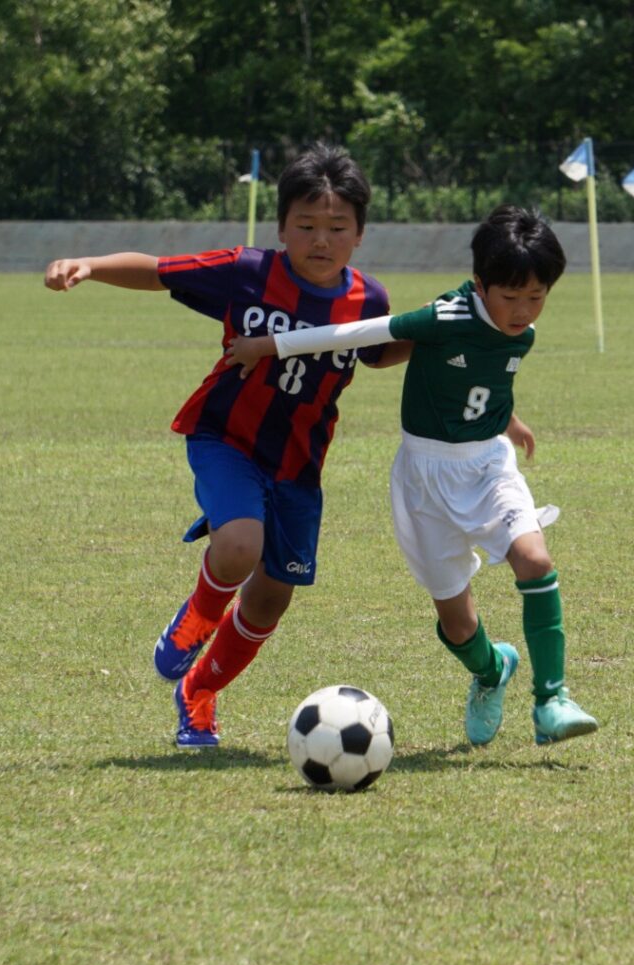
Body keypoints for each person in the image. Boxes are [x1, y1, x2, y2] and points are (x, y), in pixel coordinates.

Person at [42, 143, 409, 748]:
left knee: (269, 601)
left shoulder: (368, 299)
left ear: (360, 234)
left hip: (298, 468)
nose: (321, 240)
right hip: (226, 438)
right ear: (282, 228)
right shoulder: (249, 271)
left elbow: (376, 352)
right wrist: (89, 263)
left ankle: (199, 693)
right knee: (238, 545)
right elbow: (159, 271)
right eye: (306, 226)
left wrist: (428, 337)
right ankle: (196, 618)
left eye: (337, 227)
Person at [225, 205, 598, 746]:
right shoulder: (444, 318)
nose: (522, 311)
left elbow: (487, 377)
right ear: (480, 284)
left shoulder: (524, 333)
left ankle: (552, 702)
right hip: (425, 476)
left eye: (536, 297)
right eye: (511, 297)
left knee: (535, 559)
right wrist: (267, 345)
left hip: (488, 465)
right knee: (456, 623)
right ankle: (492, 671)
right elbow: (354, 333)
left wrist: (508, 420)